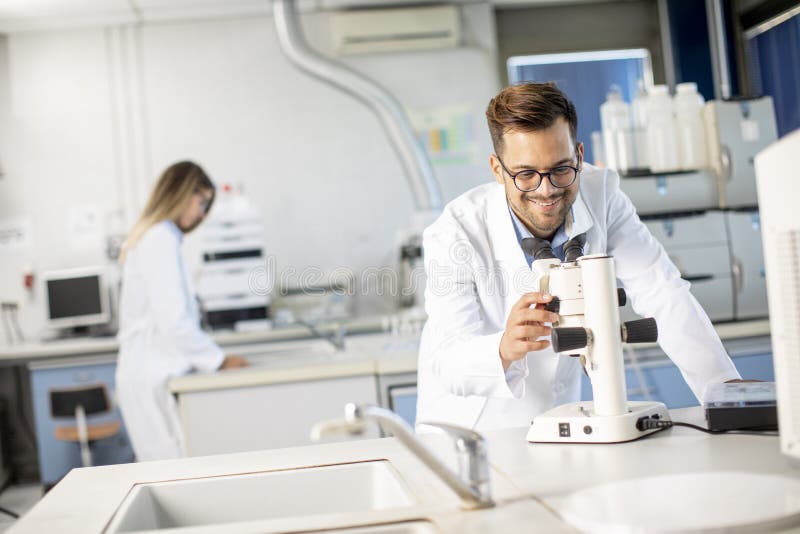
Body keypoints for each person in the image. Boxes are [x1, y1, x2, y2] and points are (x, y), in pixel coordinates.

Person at [415, 82, 742, 432]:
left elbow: (664, 293)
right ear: (497, 169)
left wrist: (726, 394)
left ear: (580, 155)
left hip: (558, 418)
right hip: (470, 430)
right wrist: (504, 346)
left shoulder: (602, 194)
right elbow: (447, 361)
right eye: (526, 174)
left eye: (561, 169)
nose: (547, 189)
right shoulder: (454, 232)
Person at [116, 161, 247, 461]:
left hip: (148, 373)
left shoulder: (159, 237)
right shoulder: (159, 238)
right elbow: (173, 321)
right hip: (150, 374)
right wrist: (219, 359)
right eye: (200, 202)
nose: (201, 213)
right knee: (171, 468)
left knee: (168, 466)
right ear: (180, 193)